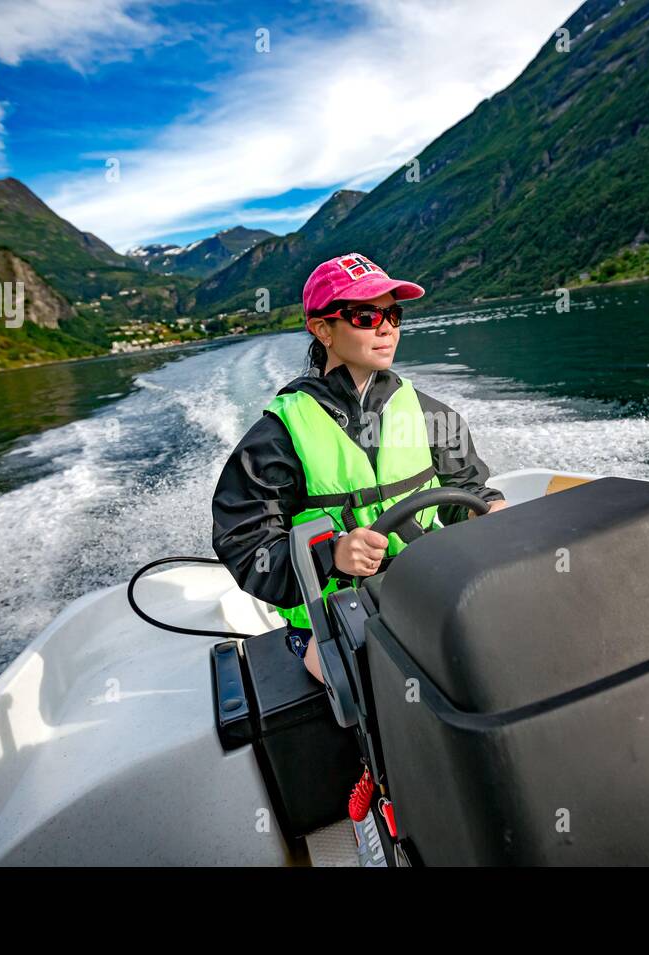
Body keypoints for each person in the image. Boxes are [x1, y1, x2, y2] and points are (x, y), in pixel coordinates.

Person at [211, 252, 508, 681]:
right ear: (322, 330)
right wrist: (330, 555)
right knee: (373, 680)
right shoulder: (276, 438)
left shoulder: (430, 415)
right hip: (333, 621)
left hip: (428, 590)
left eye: (393, 314)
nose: (386, 327)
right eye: (366, 316)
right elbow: (245, 543)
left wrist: (490, 511)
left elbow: (469, 489)